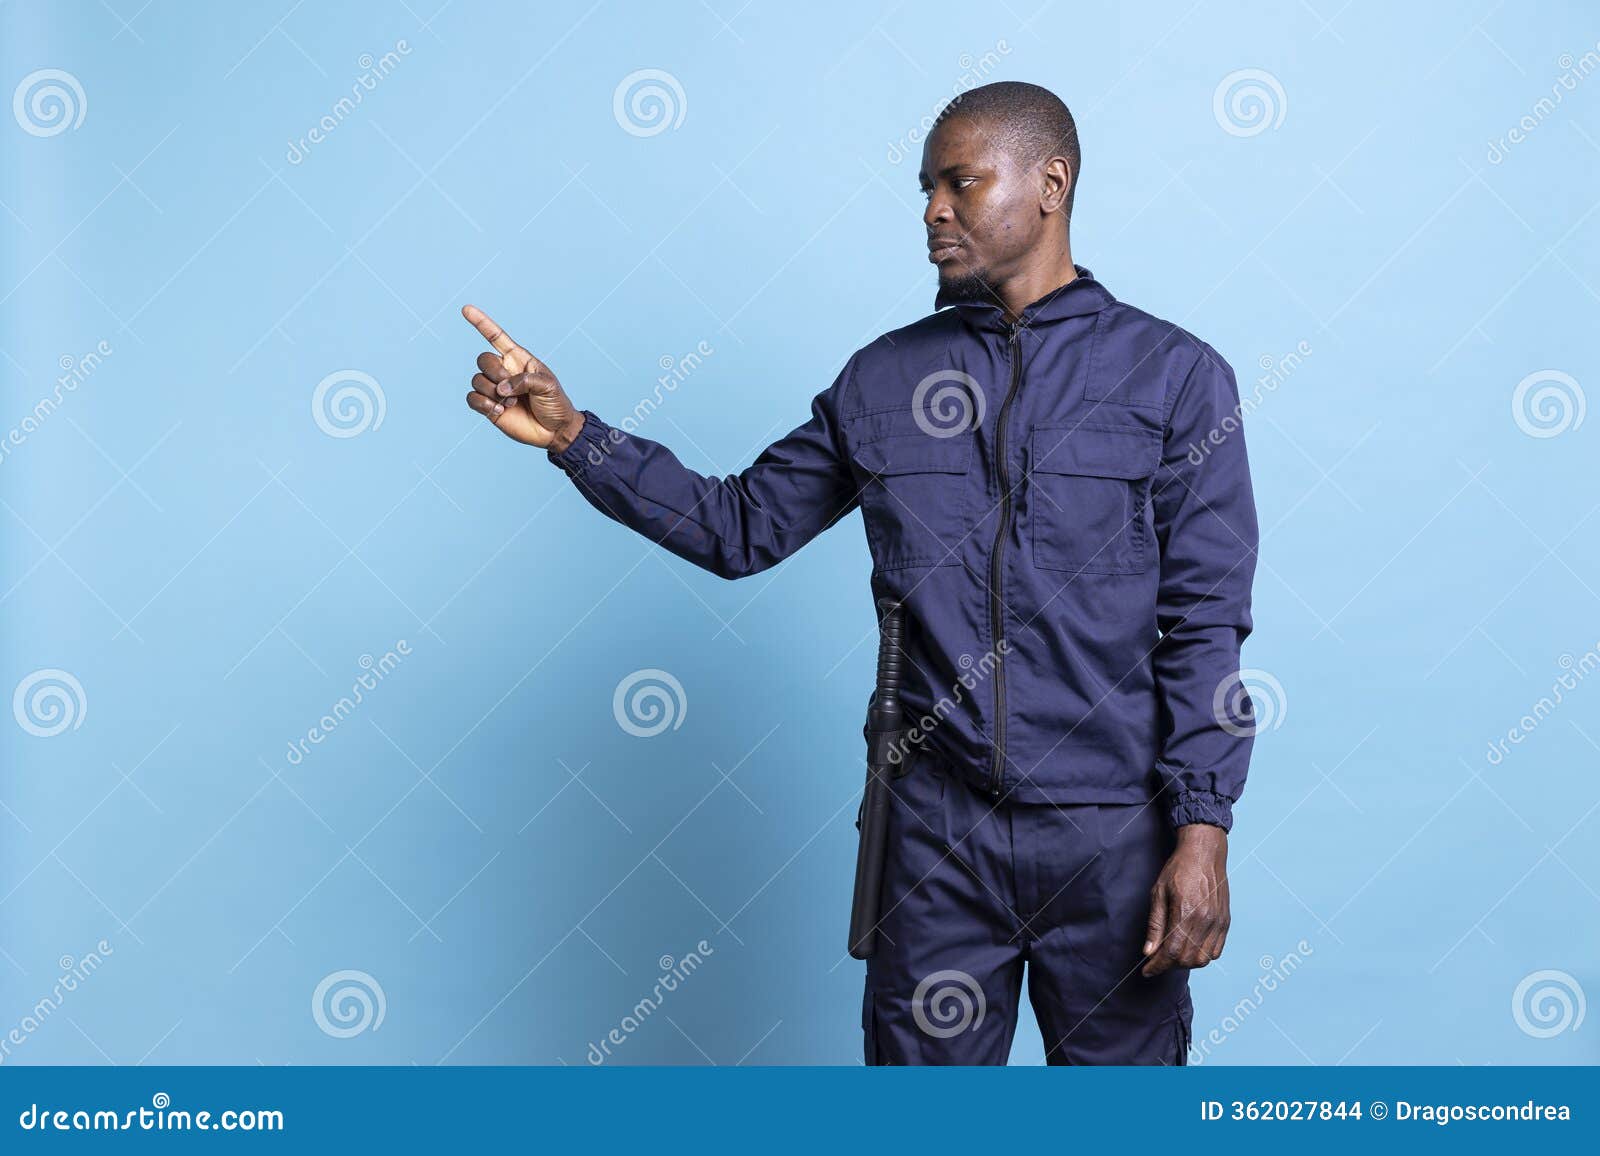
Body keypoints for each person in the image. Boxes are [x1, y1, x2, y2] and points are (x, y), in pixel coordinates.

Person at [459, 81, 1258, 1065]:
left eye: (960, 183)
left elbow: (1206, 619)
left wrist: (1200, 829)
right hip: (936, 844)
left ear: (1050, 184)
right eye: (926, 188)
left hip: (1114, 844)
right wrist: (577, 438)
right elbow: (737, 526)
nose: (932, 210)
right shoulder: (882, 380)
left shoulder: (1174, 378)